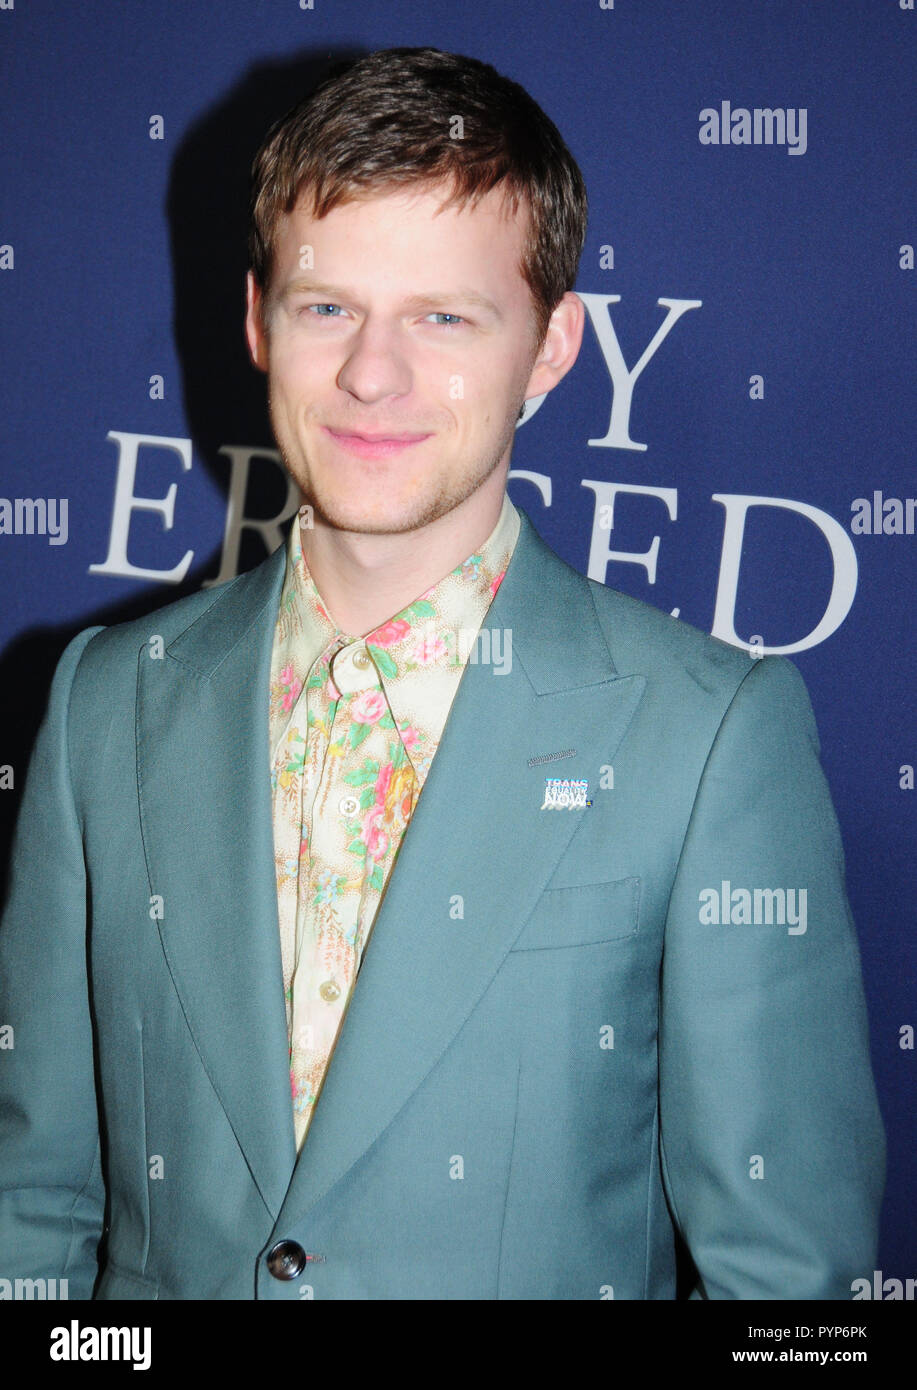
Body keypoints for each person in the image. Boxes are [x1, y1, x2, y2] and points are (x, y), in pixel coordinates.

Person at [0, 47, 884, 1301]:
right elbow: (29, 1207)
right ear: (257, 320)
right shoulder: (101, 702)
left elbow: (785, 1294)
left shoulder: (708, 738)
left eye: (444, 316)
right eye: (327, 307)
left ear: (551, 346)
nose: (373, 373)